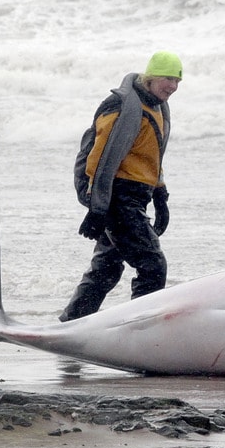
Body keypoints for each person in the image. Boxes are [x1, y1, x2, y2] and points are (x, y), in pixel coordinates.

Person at [59, 51, 182, 322]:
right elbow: (100, 159)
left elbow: (150, 156)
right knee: (152, 266)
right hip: (116, 196)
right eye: (167, 79)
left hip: (137, 196)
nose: (172, 86)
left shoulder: (157, 107)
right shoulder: (121, 105)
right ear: (151, 77)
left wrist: (160, 193)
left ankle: (72, 325)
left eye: (177, 81)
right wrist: (98, 208)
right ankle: (141, 331)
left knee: (106, 267)